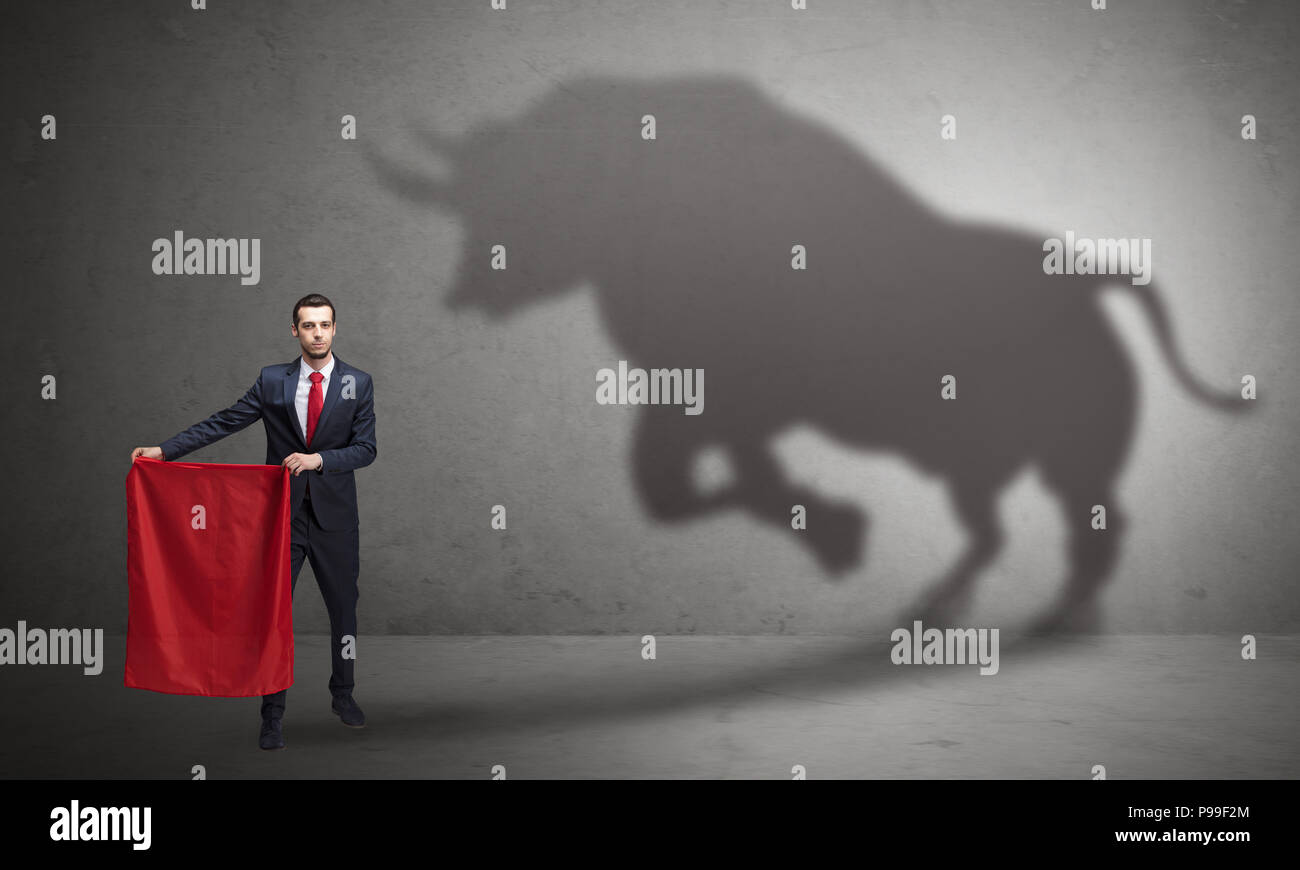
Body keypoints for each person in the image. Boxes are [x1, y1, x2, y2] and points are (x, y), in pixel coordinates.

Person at [131, 293, 377, 750]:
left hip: (336, 523)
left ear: (335, 329)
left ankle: (343, 696)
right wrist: (166, 451)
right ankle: (272, 716)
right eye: (308, 325)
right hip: (281, 519)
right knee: (273, 618)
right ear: (294, 331)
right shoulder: (272, 381)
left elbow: (366, 448)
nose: (317, 333)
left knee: (344, 614)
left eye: (324, 325)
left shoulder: (358, 384)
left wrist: (318, 459)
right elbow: (224, 421)